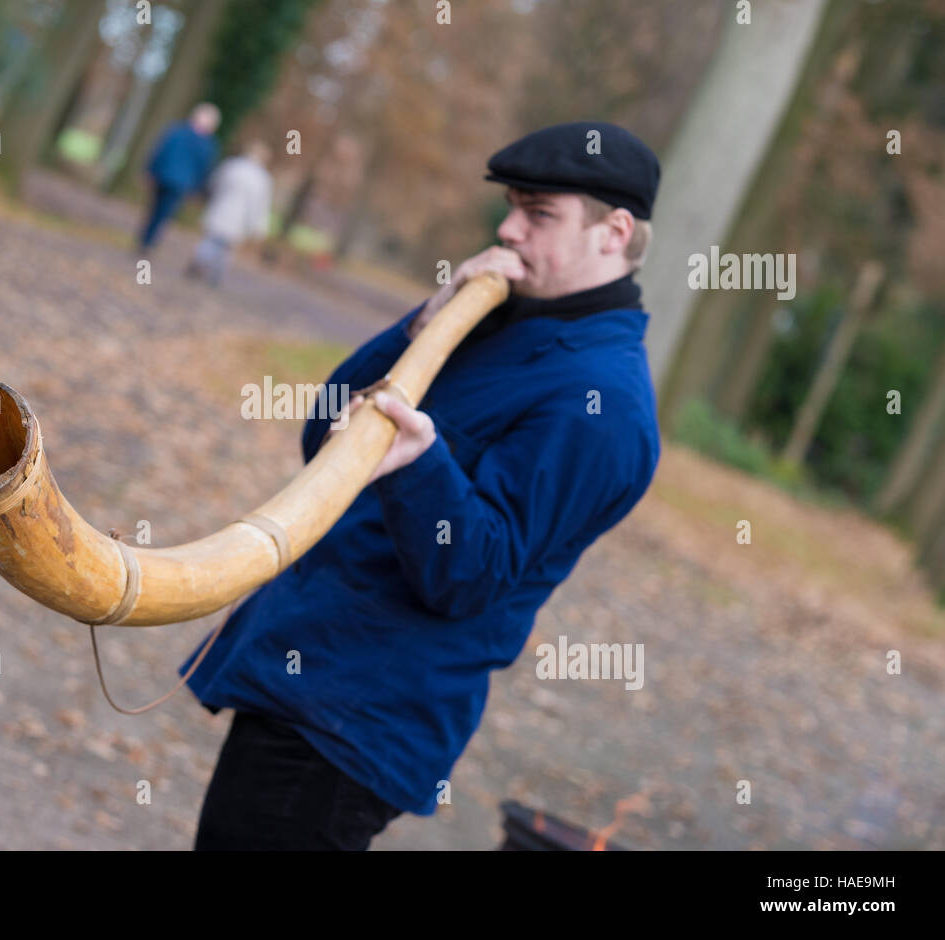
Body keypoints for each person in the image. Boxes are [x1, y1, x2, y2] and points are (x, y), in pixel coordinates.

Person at [178, 120, 664, 850]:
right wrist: (422, 325)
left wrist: (421, 464)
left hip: (356, 722)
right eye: (511, 207)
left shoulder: (603, 403)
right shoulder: (502, 322)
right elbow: (327, 439)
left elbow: (473, 575)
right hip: (305, 676)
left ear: (614, 232)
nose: (508, 229)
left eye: (539, 214)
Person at [184, 140, 274, 287]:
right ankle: (216, 273)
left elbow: (214, 183)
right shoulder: (262, 179)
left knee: (211, 240)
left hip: (221, 209)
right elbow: (259, 206)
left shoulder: (232, 166)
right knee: (226, 247)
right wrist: (258, 227)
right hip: (239, 220)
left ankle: (200, 261)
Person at [137, 103, 220, 253]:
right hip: (180, 183)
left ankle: (146, 238)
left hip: (165, 176)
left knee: (155, 208)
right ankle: (149, 240)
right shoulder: (206, 144)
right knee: (164, 212)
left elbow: (161, 150)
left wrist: (151, 169)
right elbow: (203, 169)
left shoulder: (177, 131)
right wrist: (197, 188)